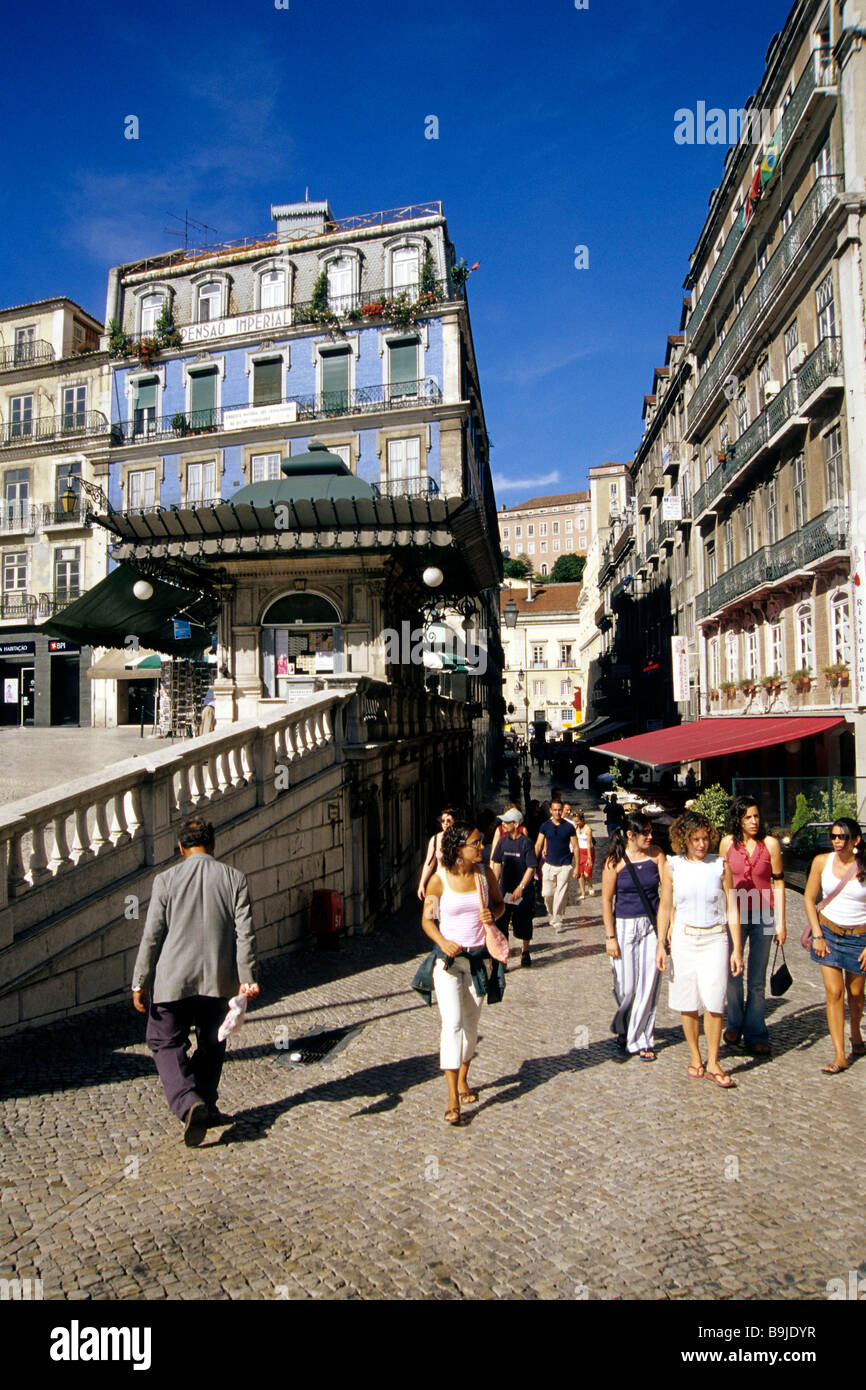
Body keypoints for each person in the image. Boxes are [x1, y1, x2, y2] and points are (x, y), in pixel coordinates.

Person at [131, 816, 259, 1145]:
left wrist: (140, 980)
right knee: (213, 1040)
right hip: (219, 980)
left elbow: (152, 936)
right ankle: (206, 1103)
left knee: (163, 1041)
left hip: (174, 980)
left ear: (180, 848)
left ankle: (190, 1103)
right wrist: (247, 978)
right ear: (213, 845)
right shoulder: (235, 879)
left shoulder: (165, 880)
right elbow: (245, 934)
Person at [417, 821, 507, 1124]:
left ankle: (464, 1078)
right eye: (475, 843)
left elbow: (500, 905)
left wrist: (492, 914)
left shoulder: (484, 876)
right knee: (452, 1024)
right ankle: (452, 1099)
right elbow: (428, 920)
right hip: (448, 963)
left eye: (480, 842)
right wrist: (443, 941)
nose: (481, 847)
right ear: (459, 849)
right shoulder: (438, 881)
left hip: (479, 962)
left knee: (470, 1028)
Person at [656, 810, 743, 1088]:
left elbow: (732, 908)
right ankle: (696, 1057)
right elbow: (666, 906)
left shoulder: (720, 865)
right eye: (695, 839)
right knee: (688, 1002)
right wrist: (661, 942)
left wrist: (737, 948)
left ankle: (714, 1061)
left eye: (705, 838)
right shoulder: (673, 867)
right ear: (684, 839)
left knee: (715, 1002)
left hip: (715, 938)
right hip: (683, 938)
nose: (702, 844)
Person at [719, 798, 786, 1056]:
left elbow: (778, 882)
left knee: (756, 979)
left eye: (756, 816)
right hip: (734, 914)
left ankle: (756, 1031)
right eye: (748, 817)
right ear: (738, 819)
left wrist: (781, 922)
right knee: (732, 974)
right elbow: (723, 882)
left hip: (763, 915)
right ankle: (734, 1023)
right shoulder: (727, 843)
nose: (754, 822)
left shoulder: (770, 844)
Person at [804, 817, 866, 1074]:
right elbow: (809, 899)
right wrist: (817, 934)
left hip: (859, 938)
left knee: (855, 996)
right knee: (834, 993)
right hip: (828, 934)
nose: (838, 842)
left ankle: (855, 1034)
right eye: (834, 837)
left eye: (843, 837)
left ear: (856, 840)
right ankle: (840, 1054)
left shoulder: (863, 865)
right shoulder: (822, 862)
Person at [602, 813, 664, 1060]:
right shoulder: (613, 862)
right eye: (645, 833)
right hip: (624, 925)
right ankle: (625, 1022)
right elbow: (606, 901)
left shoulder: (657, 855)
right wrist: (610, 937)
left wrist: (666, 930)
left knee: (648, 984)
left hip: (651, 925)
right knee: (627, 987)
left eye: (651, 832)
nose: (650, 837)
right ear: (630, 835)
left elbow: (668, 891)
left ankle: (642, 1039)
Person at [491, 808, 538, 966]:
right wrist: (494, 886)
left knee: (524, 923)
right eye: (502, 821)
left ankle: (525, 951)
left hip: (523, 894)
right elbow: (497, 864)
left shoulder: (526, 843)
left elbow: (531, 867)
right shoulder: (502, 842)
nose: (502, 824)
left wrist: (521, 887)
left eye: (506, 821)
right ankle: (504, 957)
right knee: (502, 924)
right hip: (505, 891)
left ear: (516, 824)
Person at [535, 799, 579, 931]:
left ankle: (558, 919)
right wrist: (532, 862)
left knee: (561, 892)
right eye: (555, 810)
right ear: (550, 810)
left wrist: (577, 866)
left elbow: (576, 847)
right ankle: (551, 912)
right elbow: (538, 844)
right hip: (548, 864)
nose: (558, 812)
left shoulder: (569, 827)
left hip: (564, 865)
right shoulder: (545, 826)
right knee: (547, 893)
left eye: (560, 810)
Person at [417, 807, 456, 901]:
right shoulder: (435, 839)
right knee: (435, 911)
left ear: (455, 822)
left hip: (455, 881)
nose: (445, 823)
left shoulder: (460, 839)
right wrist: (422, 884)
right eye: (443, 821)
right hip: (440, 881)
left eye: (448, 820)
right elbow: (429, 863)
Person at [573, 809, 596, 898]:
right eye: (575, 822)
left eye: (577, 821)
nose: (576, 823)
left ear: (582, 820)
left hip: (588, 851)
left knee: (587, 873)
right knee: (580, 874)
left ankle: (590, 885)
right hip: (580, 852)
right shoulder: (575, 828)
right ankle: (583, 893)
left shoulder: (588, 829)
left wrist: (589, 857)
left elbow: (588, 843)